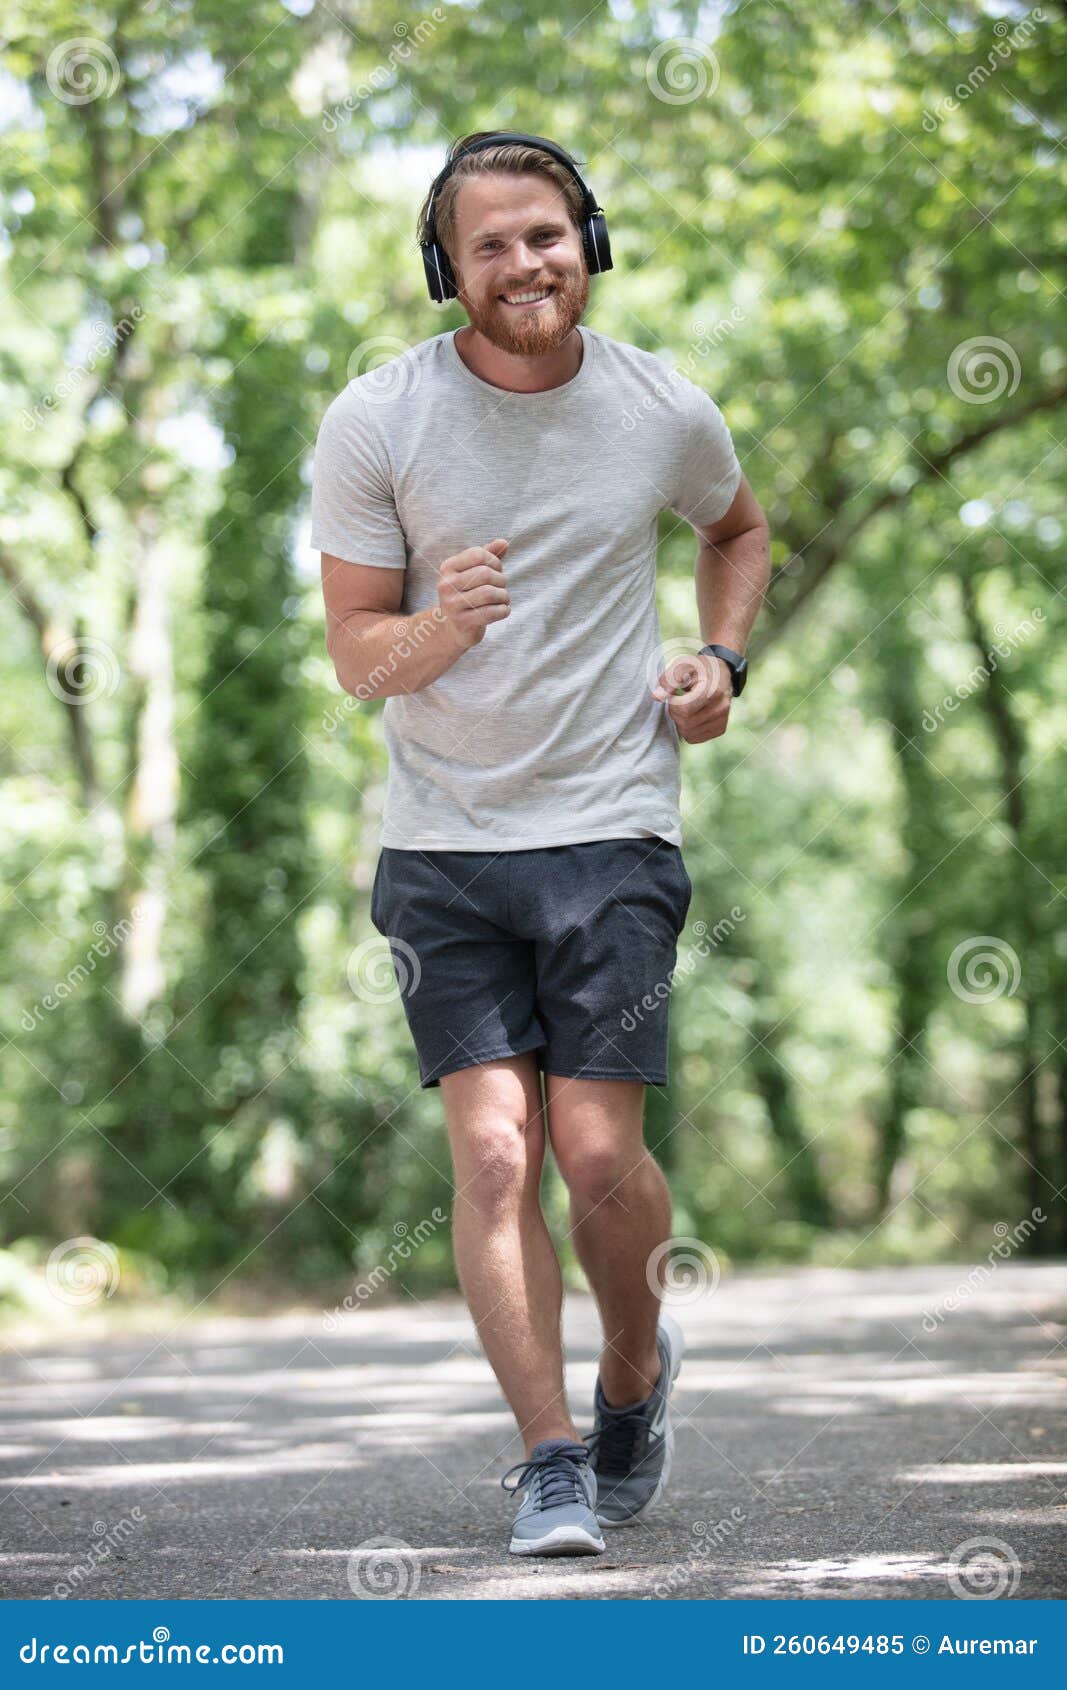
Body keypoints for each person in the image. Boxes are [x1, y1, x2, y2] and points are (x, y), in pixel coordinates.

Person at [313, 131, 770, 1558]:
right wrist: (441, 629)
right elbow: (356, 656)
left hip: (610, 826)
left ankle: (632, 1376)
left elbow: (739, 531)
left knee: (596, 1150)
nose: (526, 263)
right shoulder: (379, 419)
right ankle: (551, 1455)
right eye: (491, 243)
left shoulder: (660, 407)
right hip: (442, 844)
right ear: (446, 266)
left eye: (548, 234)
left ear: (592, 243)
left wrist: (721, 661)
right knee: (497, 1156)